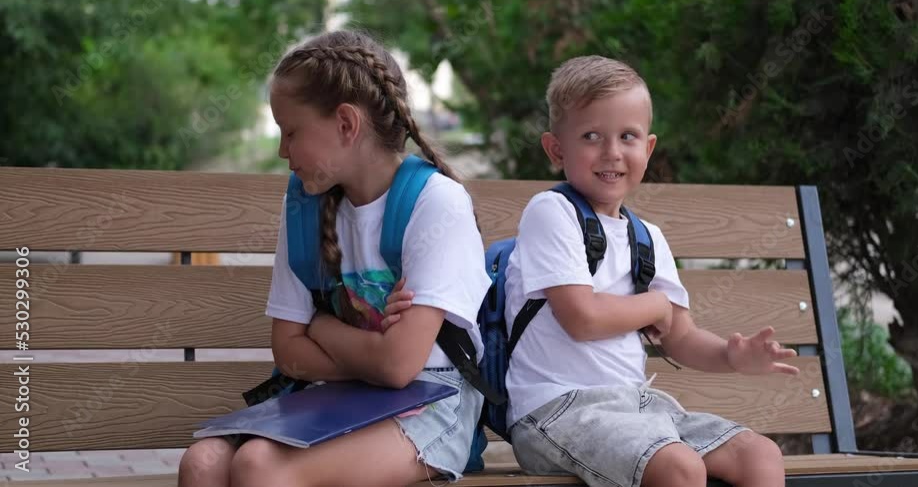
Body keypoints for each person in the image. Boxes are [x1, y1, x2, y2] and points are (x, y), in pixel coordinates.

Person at [178, 30, 490, 487]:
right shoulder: (307, 204)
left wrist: (320, 327)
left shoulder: (435, 202)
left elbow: (401, 368)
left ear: (346, 124)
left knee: (259, 467)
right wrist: (376, 353)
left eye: (291, 133)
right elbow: (289, 353)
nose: (283, 152)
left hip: (432, 405)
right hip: (334, 396)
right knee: (202, 464)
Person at [503, 55, 799, 487]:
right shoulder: (552, 212)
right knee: (678, 467)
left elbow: (679, 335)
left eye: (628, 136)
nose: (612, 152)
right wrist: (655, 304)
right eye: (591, 136)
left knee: (760, 456)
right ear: (555, 149)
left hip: (638, 408)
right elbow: (582, 319)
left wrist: (731, 357)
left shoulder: (647, 239)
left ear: (649, 147)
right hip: (556, 410)